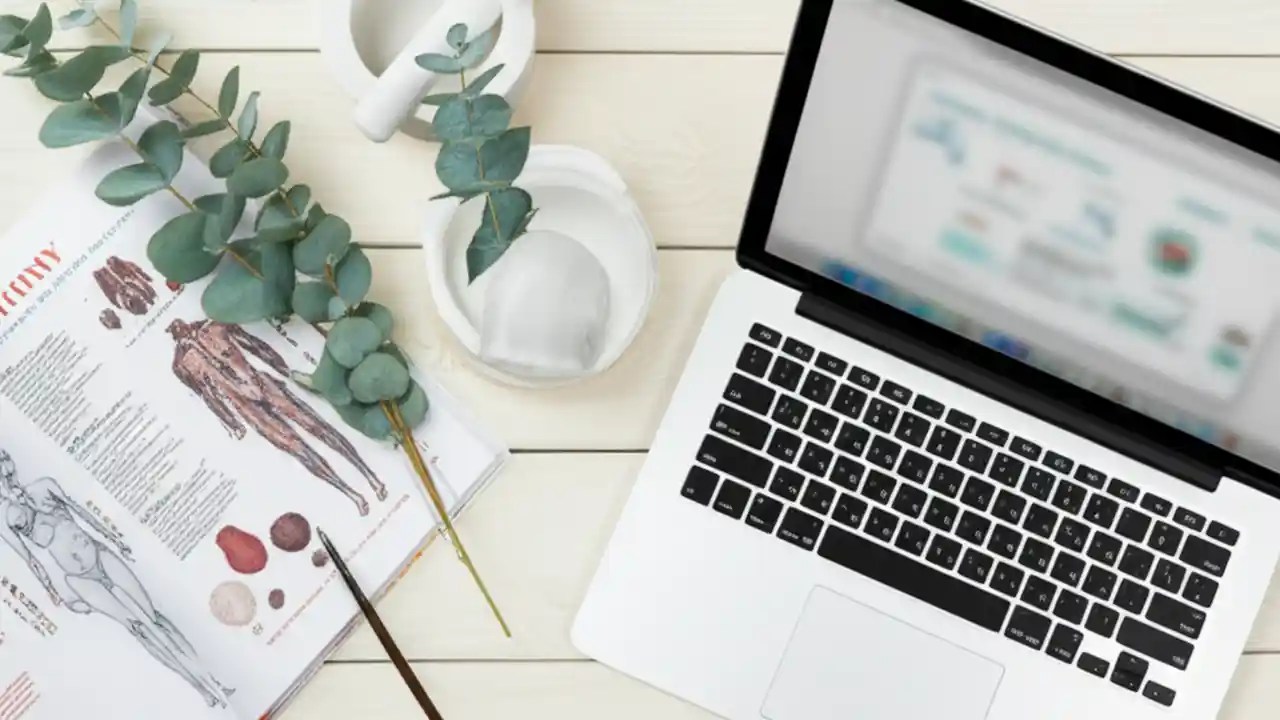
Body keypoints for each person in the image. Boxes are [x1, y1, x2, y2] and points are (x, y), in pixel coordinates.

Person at [0, 450, 227, 708]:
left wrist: (113, 537)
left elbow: (81, 512)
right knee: (138, 628)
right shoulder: (5, 518)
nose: (6, 470)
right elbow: (30, 559)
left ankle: (211, 679)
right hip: (78, 580)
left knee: (153, 616)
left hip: (98, 552)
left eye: (5, 459)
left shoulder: (43, 485)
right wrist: (55, 593)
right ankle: (200, 688)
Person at [166, 319, 386, 515]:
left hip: (263, 384)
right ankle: (350, 493)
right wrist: (231, 422)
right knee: (297, 448)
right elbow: (207, 396)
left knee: (317, 426)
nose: (181, 331)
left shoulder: (215, 325)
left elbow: (253, 344)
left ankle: (369, 475)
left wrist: (282, 367)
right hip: (246, 407)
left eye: (181, 327)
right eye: (176, 332)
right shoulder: (181, 364)